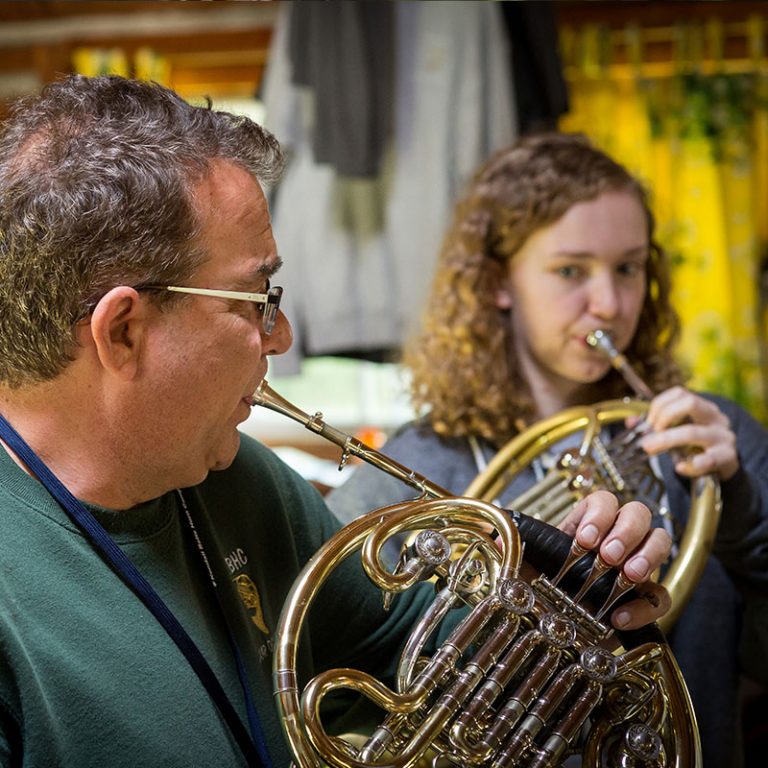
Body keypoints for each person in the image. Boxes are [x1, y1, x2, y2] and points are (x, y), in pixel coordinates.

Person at [0, 77, 674, 768]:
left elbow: (425, 667)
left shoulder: (240, 480)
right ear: (123, 332)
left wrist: (554, 605)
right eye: (257, 298)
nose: (283, 334)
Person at [327, 132, 768, 768]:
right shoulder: (416, 467)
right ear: (499, 283)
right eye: (570, 270)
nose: (610, 304)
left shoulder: (711, 439)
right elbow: (345, 677)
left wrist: (743, 509)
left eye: (629, 267)